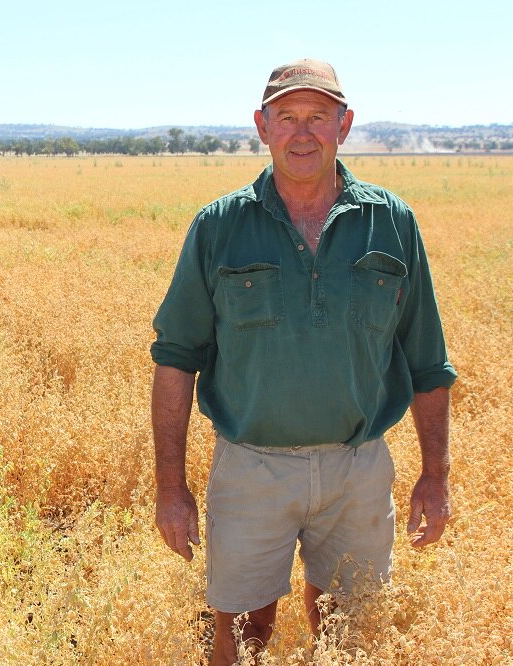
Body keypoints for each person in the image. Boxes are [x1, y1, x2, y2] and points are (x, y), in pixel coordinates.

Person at [149, 59, 457, 665]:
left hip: (358, 469)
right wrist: (170, 488)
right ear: (261, 126)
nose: (303, 133)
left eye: (319, 116)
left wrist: (435, 476)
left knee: (347, 633)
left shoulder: (391, 222)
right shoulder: (220, 226)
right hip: (251, 468)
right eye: (286, 117)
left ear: (345, 125)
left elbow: (427, 359)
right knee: (242, 635)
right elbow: (176, 359)